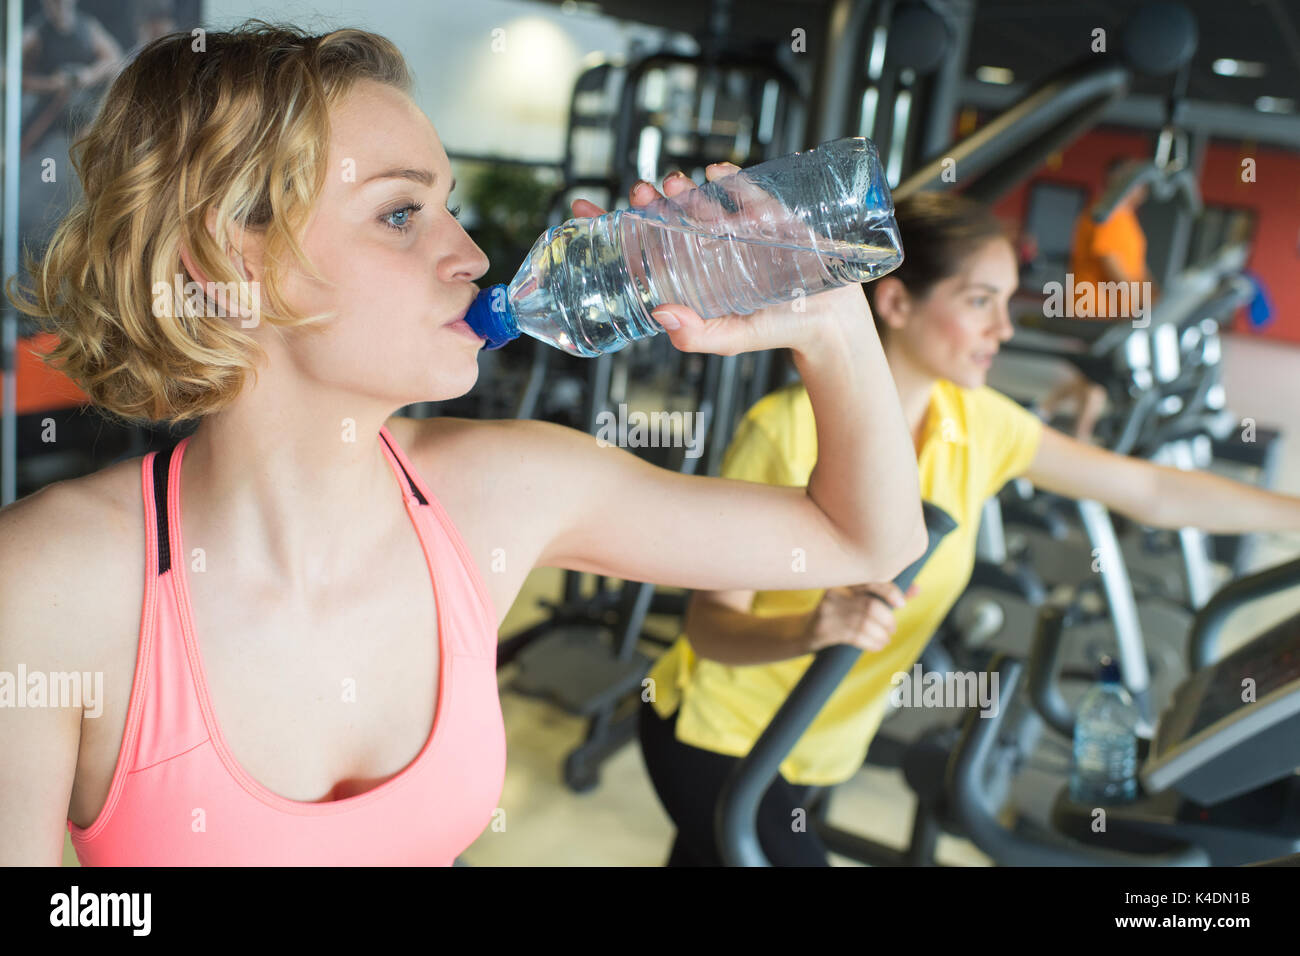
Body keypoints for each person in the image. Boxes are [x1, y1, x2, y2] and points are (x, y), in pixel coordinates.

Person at [0, 23, 928, 866]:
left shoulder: (501, 494)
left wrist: (830, 320)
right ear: (230, 260)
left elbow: (866, 539)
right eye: (401, 214)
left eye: (448, 206)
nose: (474, 255)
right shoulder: (53, 585)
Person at [639, 191, 1300, 867]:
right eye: (980, 301)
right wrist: (811, 629)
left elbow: (1150, 489)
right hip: (718, 736)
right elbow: (709, 628)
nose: (1003, 330)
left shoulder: (979, 424)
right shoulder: (785, 432)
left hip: (820, 748)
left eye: (1006, 303)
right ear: (896, 305)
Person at [1039, 158, 1160, 441]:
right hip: (1092, 308)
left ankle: (1044, 411)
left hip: (1114, 310)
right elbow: (1111, 264)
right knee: (1097, 380)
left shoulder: (1126, 217)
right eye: (1134, 183)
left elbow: (1136, 266)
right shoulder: (1105, 213)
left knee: (1091, 375)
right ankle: (1078, 437)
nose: (1140, 190)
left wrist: (1155, 294)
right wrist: (1141, 298)